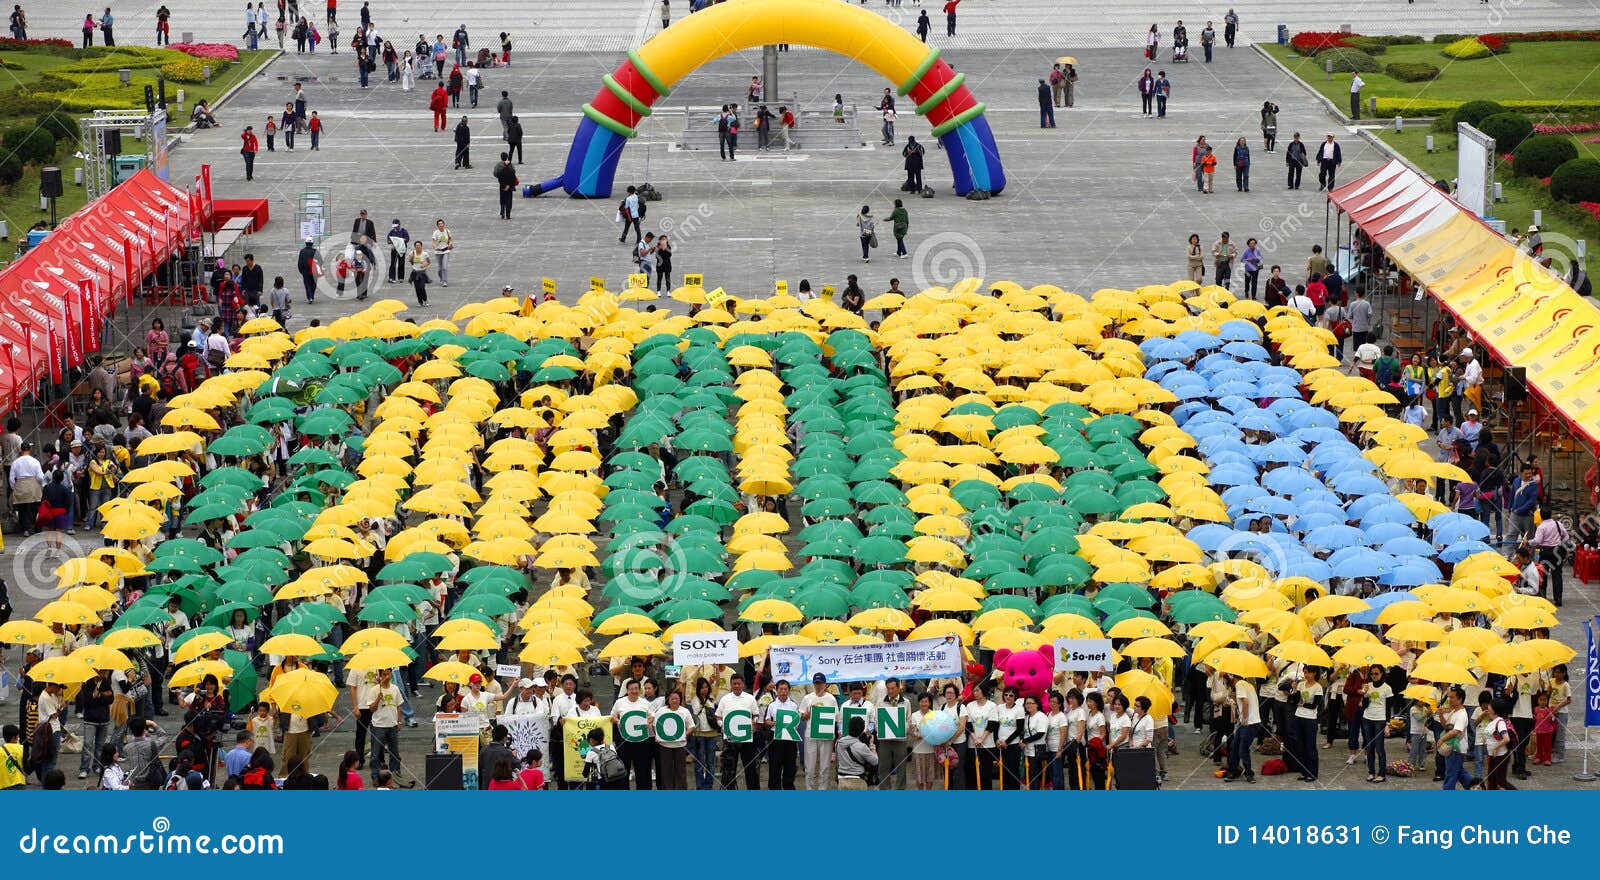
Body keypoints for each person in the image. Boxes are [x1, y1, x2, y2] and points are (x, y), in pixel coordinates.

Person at [1224, 673, 1258, 783]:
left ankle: (1249, 774)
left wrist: (1244, 718)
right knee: (1235, 747)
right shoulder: (1247, 685)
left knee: (1242, 750)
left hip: (1248, 723)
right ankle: (1233, 771)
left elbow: (1246, 702)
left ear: (1232, 677)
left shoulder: (1239, 685)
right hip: (1247, 722)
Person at [1478, 694, 1514, 789]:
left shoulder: (1500, 722)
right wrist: (1486, 738)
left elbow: (1506, 738)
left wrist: (1495, 747)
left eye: (1490, 706)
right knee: (1491, 781)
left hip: (1500, 756)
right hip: (1493, 756)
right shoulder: (1493, 721)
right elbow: (1493, 734)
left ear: (1495, 709)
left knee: (1501, 781)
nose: (1488, 707)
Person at [835, 716, 878, 790]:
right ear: (862, 730)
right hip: (858, 781)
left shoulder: (839, 743)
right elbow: (875, 761)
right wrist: (872, 745)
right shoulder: (862, 747)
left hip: (841, 781)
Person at [406, 241, 432, 305]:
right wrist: (412, 257)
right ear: (415, 246)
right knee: (417, 288)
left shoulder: (425, 254)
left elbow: (429, 262)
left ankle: (425, 300)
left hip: (422, 273)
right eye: (416, 245)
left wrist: (424, 265)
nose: (418, 246)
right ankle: (420, 302)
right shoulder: (412, 253)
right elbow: (409, 261)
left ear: (421, 246)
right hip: (415, 272)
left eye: (419, 245)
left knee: (422, 287)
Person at [494, 154, 518, 219]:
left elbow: (495, 174)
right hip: (510, 187)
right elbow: (513, 176)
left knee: (502, 199)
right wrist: (509, 185)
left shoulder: (499, 166)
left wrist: (503, 183)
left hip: (502, 185)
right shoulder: (511, 167)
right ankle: (508, 215)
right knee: (509, 200)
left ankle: (502, 211)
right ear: (507, 157)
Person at [296, 238, 319, 302]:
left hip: (305, 271)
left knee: (307, 284)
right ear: (312, 244)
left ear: (306, 243)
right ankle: (311, 296)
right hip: (314, 271)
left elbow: (300, 262)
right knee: (313, 284)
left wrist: (301, 270)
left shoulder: (302, 251)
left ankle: (310, 297)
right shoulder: (315, 251)